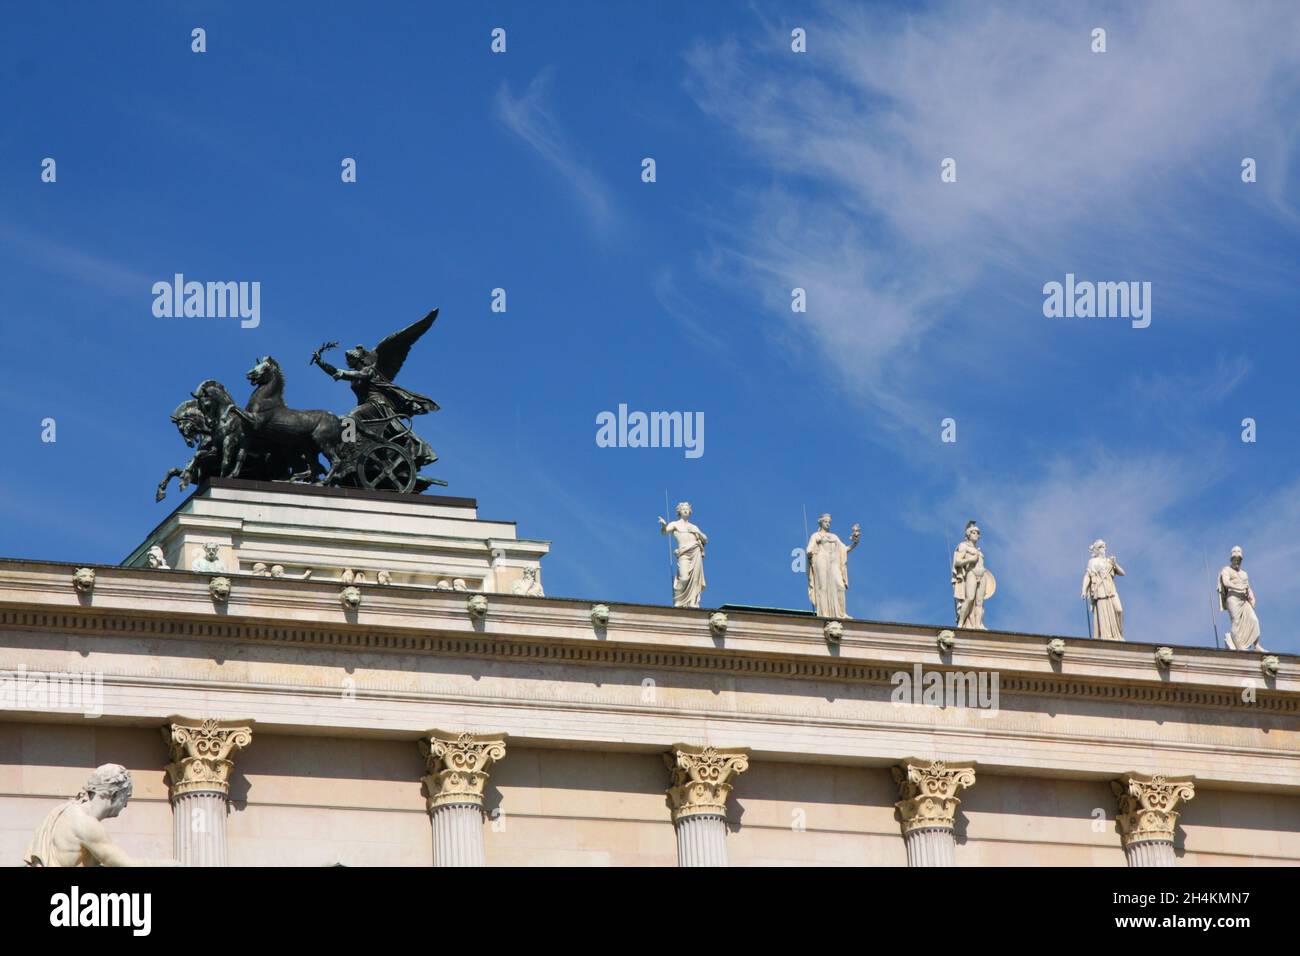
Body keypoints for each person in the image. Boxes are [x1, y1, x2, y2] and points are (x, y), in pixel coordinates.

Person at [24, 764, 177, 867]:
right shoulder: (85, 824)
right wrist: (170, 865)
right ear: (116, 794)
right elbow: (125, 864)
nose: (125, 805)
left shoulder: (62, 811)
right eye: (126, 797)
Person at [806, 514, 859, 618]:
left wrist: (855, 543)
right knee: (823, 586)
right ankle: (824, 614)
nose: (828, 524)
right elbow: (809, 550)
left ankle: (842, 613)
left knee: (840, 586)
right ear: (821, 522)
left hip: (833, 562)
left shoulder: (834, 537)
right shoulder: (815, 536)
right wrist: (811, 551)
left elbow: (844, 549)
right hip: (821, 559)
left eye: (829, 522)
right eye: (826, 521)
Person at [659, 503, 708, 608]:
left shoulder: (693, 526)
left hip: (695, 552)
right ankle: (679, 601)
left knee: (695, 580)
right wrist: (663, 525)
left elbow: (705, 539)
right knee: (684, 578)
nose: (685, 511)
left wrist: (697, 533)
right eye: (683, 509)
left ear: (690, 511)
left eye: (687, 509)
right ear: (679, 512)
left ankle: (693, 603)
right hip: (684, 553)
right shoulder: (675, 524)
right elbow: (665, 532)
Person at [1219, 546, 1263, 651]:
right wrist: (1238, 587)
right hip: (1233, 598)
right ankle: (1239, 646)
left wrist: (1252, 596)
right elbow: (1226, 582)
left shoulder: (1244, 573)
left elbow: (1247, 587)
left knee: (1254, 620)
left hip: (1244, 600)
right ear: (1232, 559)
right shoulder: (1226, 570)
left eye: (1239, 559)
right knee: (1236, 622)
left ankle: (1256, 645)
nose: (1237, 561)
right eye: (1235, 559)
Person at [1082, 539, 1125, 641]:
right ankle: (1106, 637)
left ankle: (1118, 635)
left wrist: (1115, 563)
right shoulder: (1092, 562)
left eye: (1104, 547)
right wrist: (1084, 590)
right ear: (1096, 550)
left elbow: (1122, 573)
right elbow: (1087, 576)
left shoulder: (1109, 561)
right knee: (1103, 614)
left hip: (1111, 590)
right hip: (1100, 591)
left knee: (1119, 610)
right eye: (1101, 547)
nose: (1104, 549)